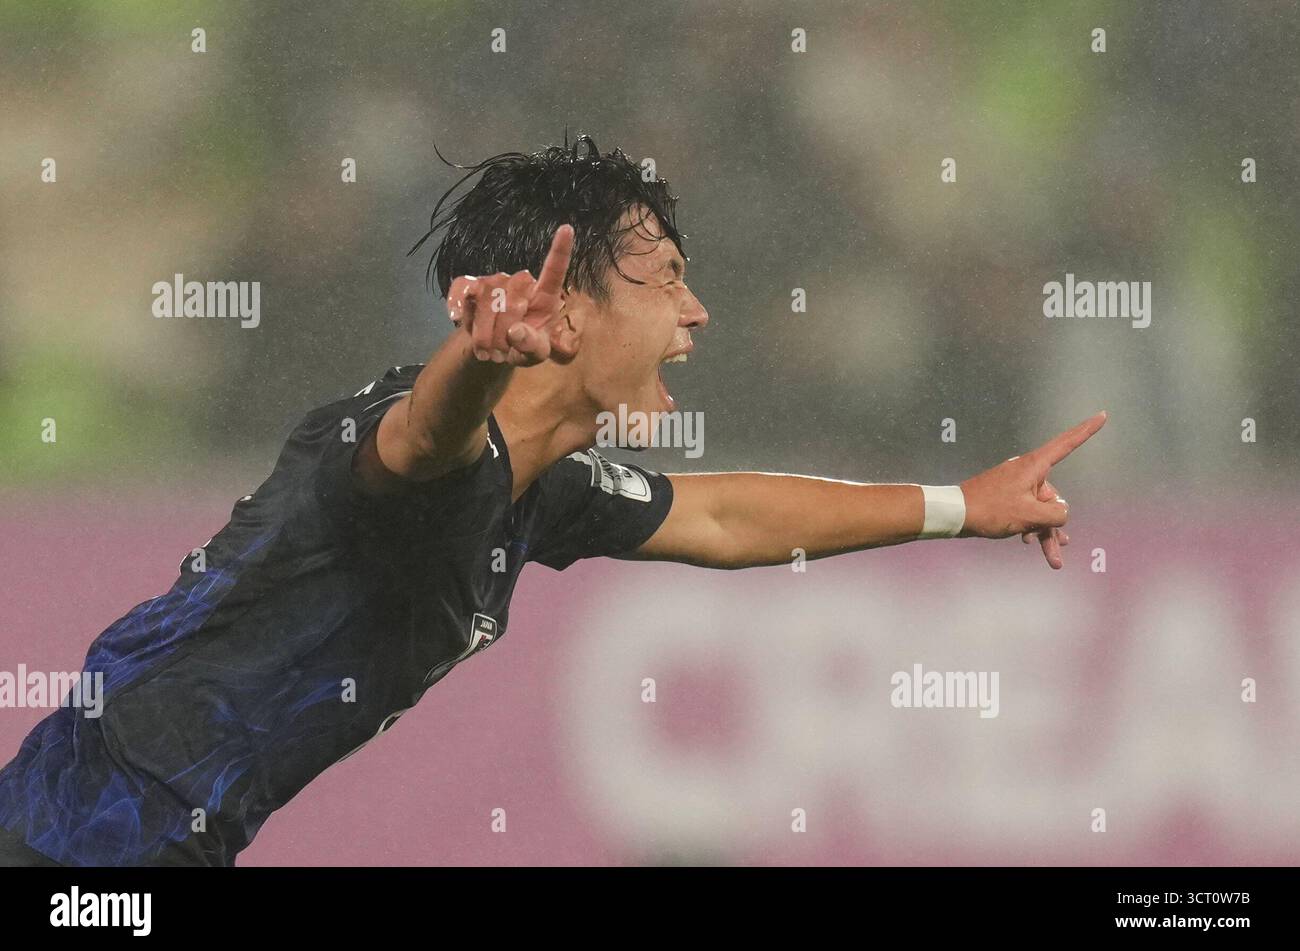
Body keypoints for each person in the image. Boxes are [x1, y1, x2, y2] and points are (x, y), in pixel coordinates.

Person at [0, 135, 1105, 866]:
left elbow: (724, 515)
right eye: (665, 276)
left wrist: (959, 503)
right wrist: (476, 359)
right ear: (560, 314)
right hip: (80, 841)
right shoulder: (415, 447)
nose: (699, 309)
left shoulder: (550, 488)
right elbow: (419, 442)